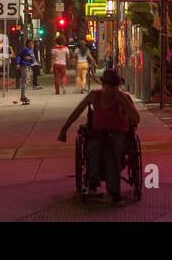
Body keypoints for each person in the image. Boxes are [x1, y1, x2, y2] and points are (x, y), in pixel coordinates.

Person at [58, 68, 140, 204]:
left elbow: (136, 119)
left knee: (111, 150)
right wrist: (64, 129)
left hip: (118, 135)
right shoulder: (94, 95)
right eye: (110, 86)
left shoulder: (123, 98)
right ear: (104, 85)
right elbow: (77, 111)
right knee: (93, 147)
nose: (113, 89)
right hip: (98, 133)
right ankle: (92, 184)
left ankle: (113, 192)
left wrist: (124, 102)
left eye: (115, 87)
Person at [16, 39, 35, 104]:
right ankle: (23, 96)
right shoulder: (25, 49)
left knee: (26, 81)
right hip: (23, 66)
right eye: (30, 44)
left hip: (27, 66)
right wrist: (18, 63)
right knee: (24, 81)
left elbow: (32, 59)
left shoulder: (31, 50)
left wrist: (31, 59)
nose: (31, 45)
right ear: (27, 44)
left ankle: (24, 95)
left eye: (32, 44)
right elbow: (19, 56)